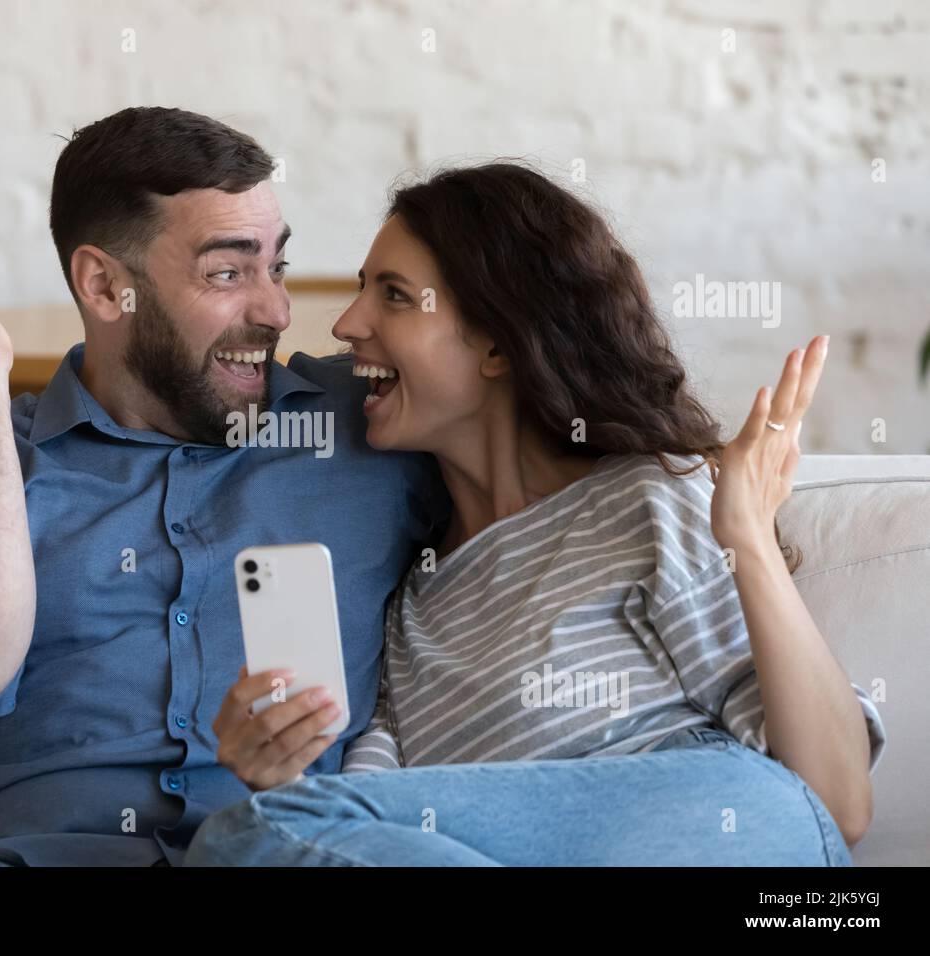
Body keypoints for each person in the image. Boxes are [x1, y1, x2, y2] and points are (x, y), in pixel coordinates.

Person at [0, 107, 448, 867]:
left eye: (277, 267)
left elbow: (547, 375)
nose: (276, 311)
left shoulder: (366, 423)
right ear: (104, 286)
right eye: (228, 272)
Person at [185, 161, 887, 867]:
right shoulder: (409, 613)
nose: (346, 323)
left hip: (724, 817)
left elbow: (834, 802)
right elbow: (359, 834)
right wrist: (283, 773)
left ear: (496, 343)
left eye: (394, 296)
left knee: (239, 837)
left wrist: (746, 540)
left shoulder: (652, 500)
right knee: (262, 832)